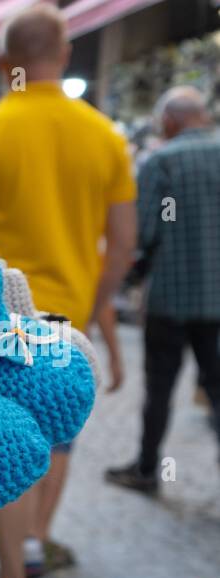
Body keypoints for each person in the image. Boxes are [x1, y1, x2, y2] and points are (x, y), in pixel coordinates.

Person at [0, 3, 137, 578]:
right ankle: (34, 543)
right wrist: (97, 306)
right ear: (67, 54)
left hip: (1, 322)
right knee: (57, 437)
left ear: (5, 64)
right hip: (68, 321)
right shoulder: (105, 137)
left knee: (5, 445)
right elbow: (125, 244)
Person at [105, 85, 220, 495]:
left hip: (171, 298)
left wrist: (129, 278)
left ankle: (148, 468)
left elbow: (147, 231)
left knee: (160, 390)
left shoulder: (162, 161)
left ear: (170, 121)